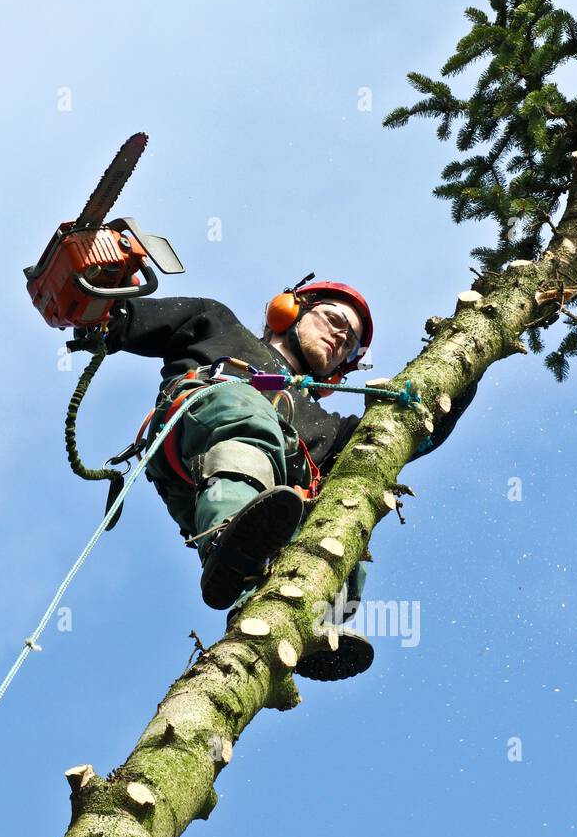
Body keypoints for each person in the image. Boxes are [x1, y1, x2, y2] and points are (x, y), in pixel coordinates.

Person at [70, 278, 477, 679]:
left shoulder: (331, 430)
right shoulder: (219, 325)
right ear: (290, 311)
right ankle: (229, 541)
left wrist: (467, 363)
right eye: (334, 321)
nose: (341, 338)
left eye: (350, 343)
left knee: (344, 497)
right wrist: (96, 299)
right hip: (202, 431)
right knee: (250, 411)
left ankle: (302, 616)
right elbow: (122, 319)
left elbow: (415, 435)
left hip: (262, 493)